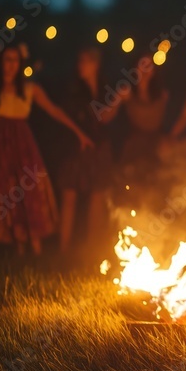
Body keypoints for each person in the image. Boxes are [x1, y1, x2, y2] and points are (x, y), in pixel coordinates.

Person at [0, 46, 93, 255]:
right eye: (7, 60)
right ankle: (6, 245)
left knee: (26, 191)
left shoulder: (29, 88)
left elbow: (54, 110)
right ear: (0, 62)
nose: (11, 65)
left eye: (15, 60)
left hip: (22, 145)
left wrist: (78, 133)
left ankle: (34, 248)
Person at [58, 48, 119, 255]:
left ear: (96, 64)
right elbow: (73, 114)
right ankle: (63, 249)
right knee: (69, 196)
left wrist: (117, 102)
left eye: (86, 61)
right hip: (75, 147)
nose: (81, 65)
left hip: (99, 146)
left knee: (97, 196)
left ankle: (92, 248)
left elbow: (104, 118)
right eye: (80, 61)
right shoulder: (73, 87)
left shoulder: (104, 87)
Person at [118, 53, 169, 183]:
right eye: (142, 65)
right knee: (133, 184)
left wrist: (165, 139)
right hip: (134, 145)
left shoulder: (161, 94)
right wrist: (116, 99)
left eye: (149, 66)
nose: (146, 69)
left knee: (154, 184)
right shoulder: (127, 92)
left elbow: (161, 121)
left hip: (154, 145)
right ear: (135, 69)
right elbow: (109, 117)